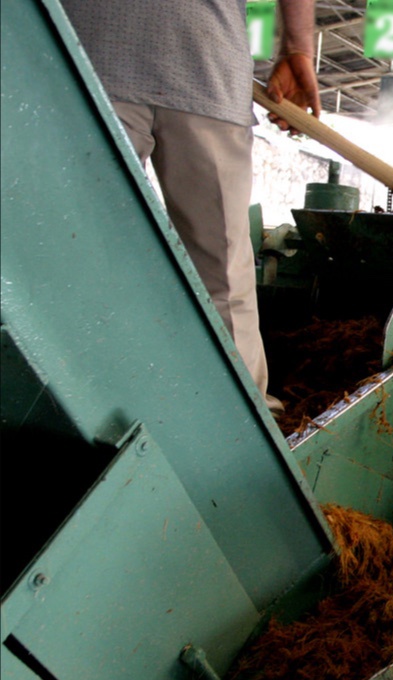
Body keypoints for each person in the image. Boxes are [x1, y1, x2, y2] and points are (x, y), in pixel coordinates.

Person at [60, 0, 322, 417]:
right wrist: (297, 48)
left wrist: (297, 49)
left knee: (81, 256)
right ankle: (242, 418)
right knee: (220, 272)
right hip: (125, 65)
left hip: (105, 59)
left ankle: (243, 419)